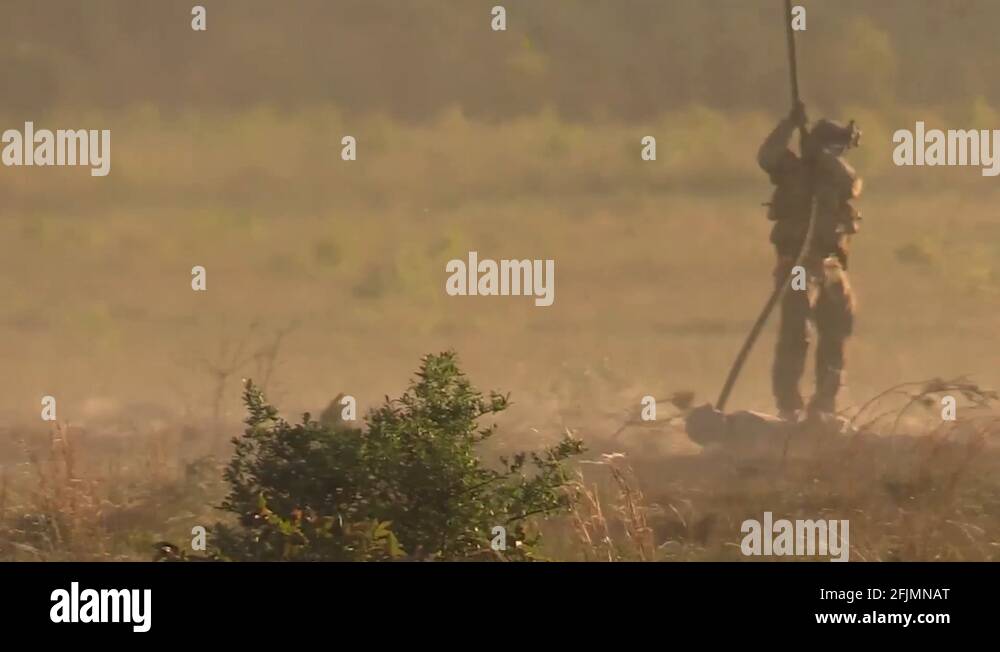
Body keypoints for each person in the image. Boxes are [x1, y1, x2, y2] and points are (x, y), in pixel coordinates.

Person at [757, 101, 863, 423]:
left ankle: (824, 404)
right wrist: (789, 124)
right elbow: (767, 156)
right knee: (796, 328)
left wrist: (822, 158)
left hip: (830, 267)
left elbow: (850, 182)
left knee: (837, 327)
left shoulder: (836, 175)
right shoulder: (791, 170)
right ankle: (789, 405)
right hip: (799, 267)